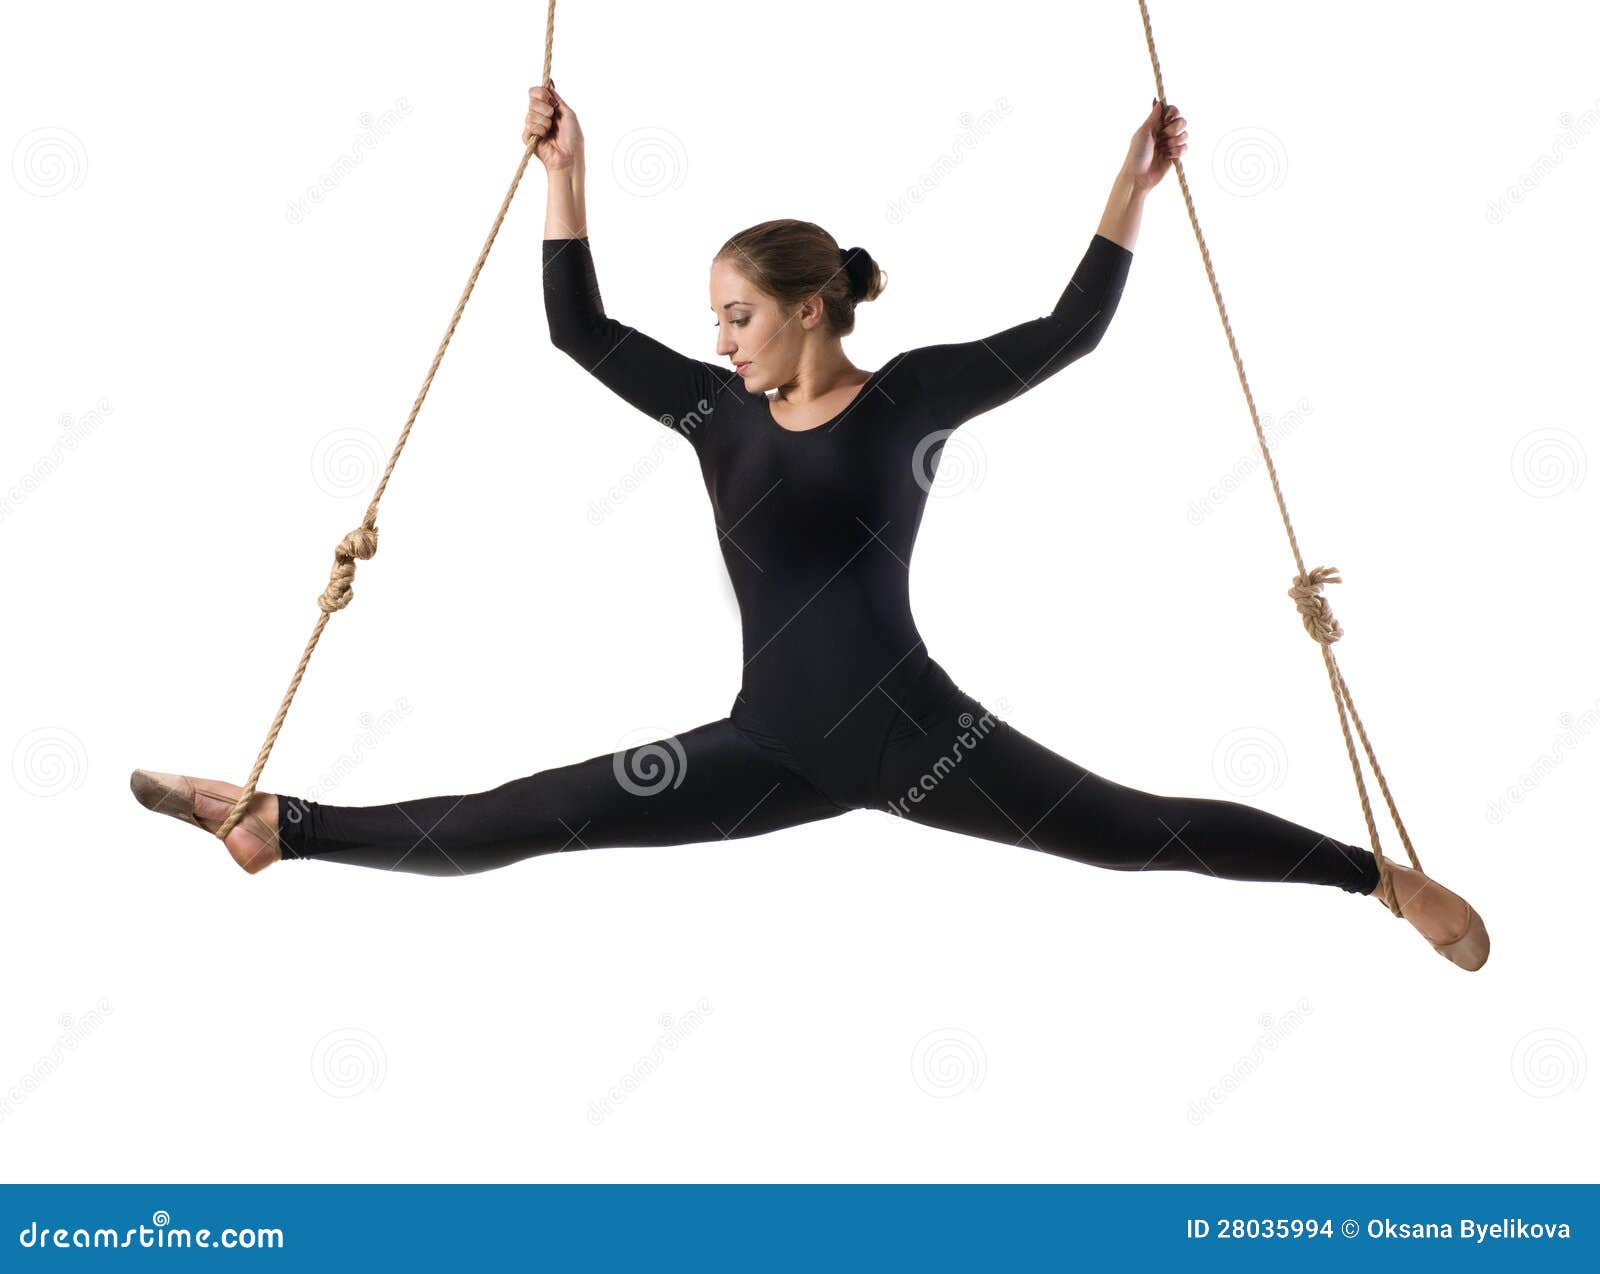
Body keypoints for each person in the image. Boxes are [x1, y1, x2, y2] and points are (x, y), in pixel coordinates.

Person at [131, 84, 1488, 971]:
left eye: (737, 315)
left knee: (1138, 832)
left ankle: (1378, 877)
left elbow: (1071, 331)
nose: (718, 343)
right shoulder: (717, 419)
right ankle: (282, 825)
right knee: (528, 814)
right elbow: (576, 329)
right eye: (715, 319)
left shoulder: (908, 403)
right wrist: (569, 171)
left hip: (925, 738)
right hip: (767, 745)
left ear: (812, 307)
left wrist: (1131, 185)